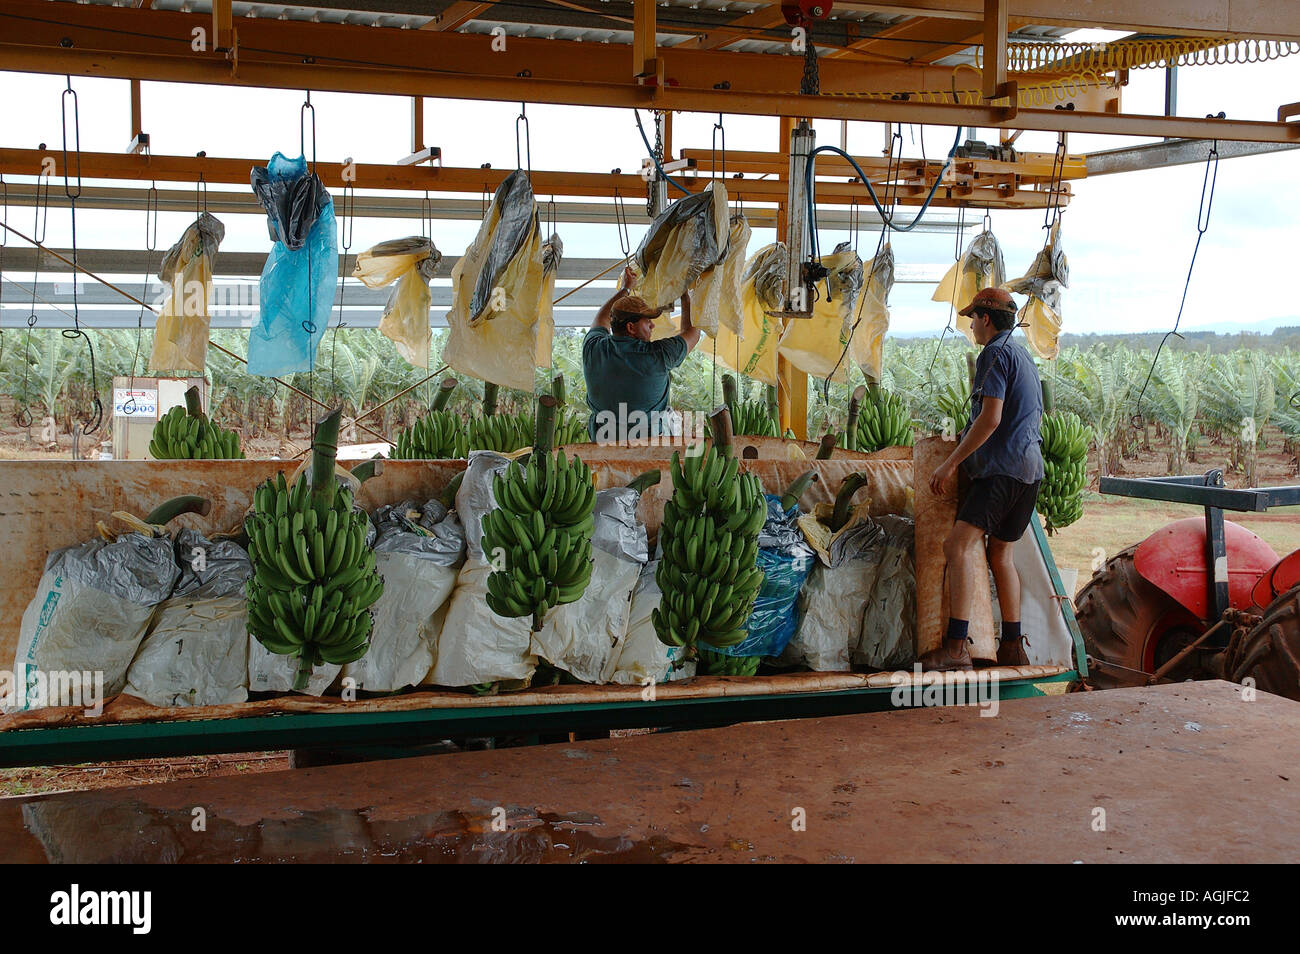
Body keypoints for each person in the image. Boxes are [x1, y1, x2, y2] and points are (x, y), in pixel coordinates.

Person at [920, 287, 1044, 672]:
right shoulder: (1022, 354)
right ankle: (1012, 648)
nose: (971, 325)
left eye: (973, 317)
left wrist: (950, 463)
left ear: (986, 319)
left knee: (956, 547)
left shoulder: (994, 353)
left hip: (1002, 470)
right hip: (1029, 472)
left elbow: (990, 419)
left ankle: (956, 648)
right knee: (1001, 555)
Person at [582, 267, 701, 442]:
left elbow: (601, 319)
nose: (652, 326)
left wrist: (625, 289)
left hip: (602, 445)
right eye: (647, 322)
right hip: (646, 449)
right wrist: (684, 294)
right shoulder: (659, 355)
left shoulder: (593, 349)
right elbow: (692, 332)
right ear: (630, 327)